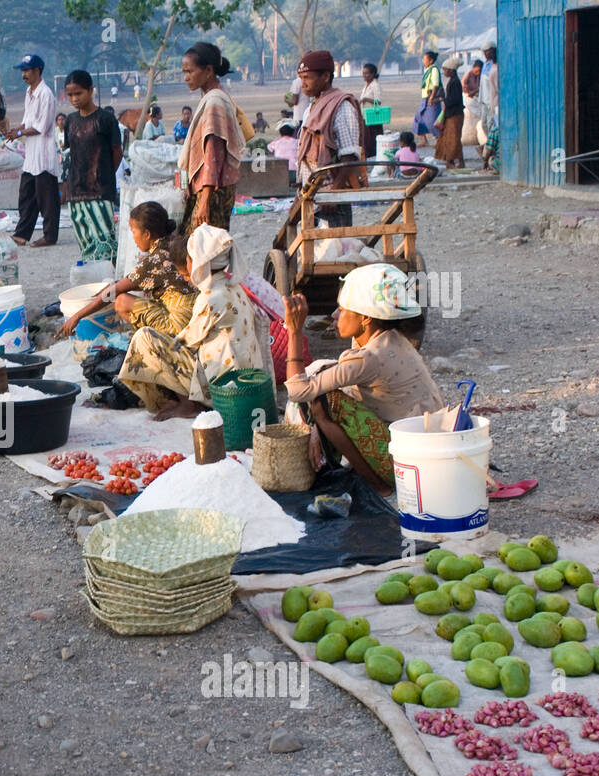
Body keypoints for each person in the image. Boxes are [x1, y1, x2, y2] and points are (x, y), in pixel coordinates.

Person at [284, 263, 445, 496]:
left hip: (408, 465)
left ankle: (380, 487)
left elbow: (297, 390)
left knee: (324, 402)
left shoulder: (369, 358)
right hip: (430, 455)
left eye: (342, 309)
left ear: (365, 319)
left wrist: (294, 331)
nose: (334, 315)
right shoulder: (390, 339)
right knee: (322, 384)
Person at [117, 223, 265, 420]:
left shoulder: (210, 297)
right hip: (244, 377)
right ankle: (188, 399)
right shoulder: (233, 286)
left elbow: (187, 342)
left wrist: (162, 343)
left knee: (146, 339)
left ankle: (190, 404)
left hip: (223, 386)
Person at [56, 201, 197, 342]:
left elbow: (113, 293)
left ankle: (152, 342)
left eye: (133, 231)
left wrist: (76, 316)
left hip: (180, 325)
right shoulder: (172, 243)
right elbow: (136, 283)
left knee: (121, 301)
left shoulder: (154, 259)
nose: (133, 237)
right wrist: (112, 288)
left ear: (147, 234)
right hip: (195, 316)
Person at [174, 42, 244, 235]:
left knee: (202, 251)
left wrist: (204, 200)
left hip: (213, 190)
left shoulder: (214, 102)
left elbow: (213, 156)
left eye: (190, 71)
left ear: (208, 70)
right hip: (213, 188)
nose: (186, 77)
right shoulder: (214, 98)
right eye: (184, 72)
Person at [294, 50, 365, 227]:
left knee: (334, 251)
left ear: (325, 76)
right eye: (301, 78)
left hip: (332, 202)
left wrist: (334, 193)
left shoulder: (341, 106)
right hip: (311, 197)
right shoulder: (311, 108)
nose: (303, 84)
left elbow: (349, 156)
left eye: (307, 77)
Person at [61, 70, 123, 264]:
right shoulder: (70, 121)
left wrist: (104, 174)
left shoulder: (105, 119)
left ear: (90, 90)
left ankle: (111, 288)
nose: (74, 99)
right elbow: (72, 154)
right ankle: (92, 286)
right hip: (75, 191)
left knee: (106, 243)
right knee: (86, 246)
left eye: (78, 93)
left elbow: (117, 152)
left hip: (100, 190)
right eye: (70, 94)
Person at [11, 53, 60, 248]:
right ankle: (22, 234)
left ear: (37, 70)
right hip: (31, 155)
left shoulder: (46, 94)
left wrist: (20, 132)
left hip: (44, 153)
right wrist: (16, 130)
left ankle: (50, 236)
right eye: (22, 70)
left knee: (47, 199)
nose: (24, 74)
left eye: (27, 70)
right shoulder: (29, 93)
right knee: (26, 196)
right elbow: (27, 119)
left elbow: (42, 126)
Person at [434, 57, 466, 168]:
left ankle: (451, 161)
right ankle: (457, 162)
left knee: (452, 139)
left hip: (454, 114)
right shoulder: (453, 81)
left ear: (452, 70)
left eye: (445, 70)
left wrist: (442, 99)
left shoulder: (455, 83)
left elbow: (454, 100)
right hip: (453, 114)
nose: (444, 72)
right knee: (453, 138)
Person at [414, 51, 444, 146]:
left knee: (433, 121)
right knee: (418, 119)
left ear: (431, 60)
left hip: (431, 98)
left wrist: (431, 97)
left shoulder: (434, 70)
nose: (423, 61)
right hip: (424, 99)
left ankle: (440, 141)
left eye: (425, 59)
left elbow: (435, 85)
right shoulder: (427, 70)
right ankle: (424, 141)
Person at [359, 63, 383, 158]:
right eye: (363, 73)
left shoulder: (375, 85)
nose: (364, 76)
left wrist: (366, 99)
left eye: (367, 73)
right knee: (365, 138)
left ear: (373, 74)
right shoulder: (366, 85)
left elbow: (378, 101)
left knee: (372, 139)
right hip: (365, 116)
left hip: (373, 117)